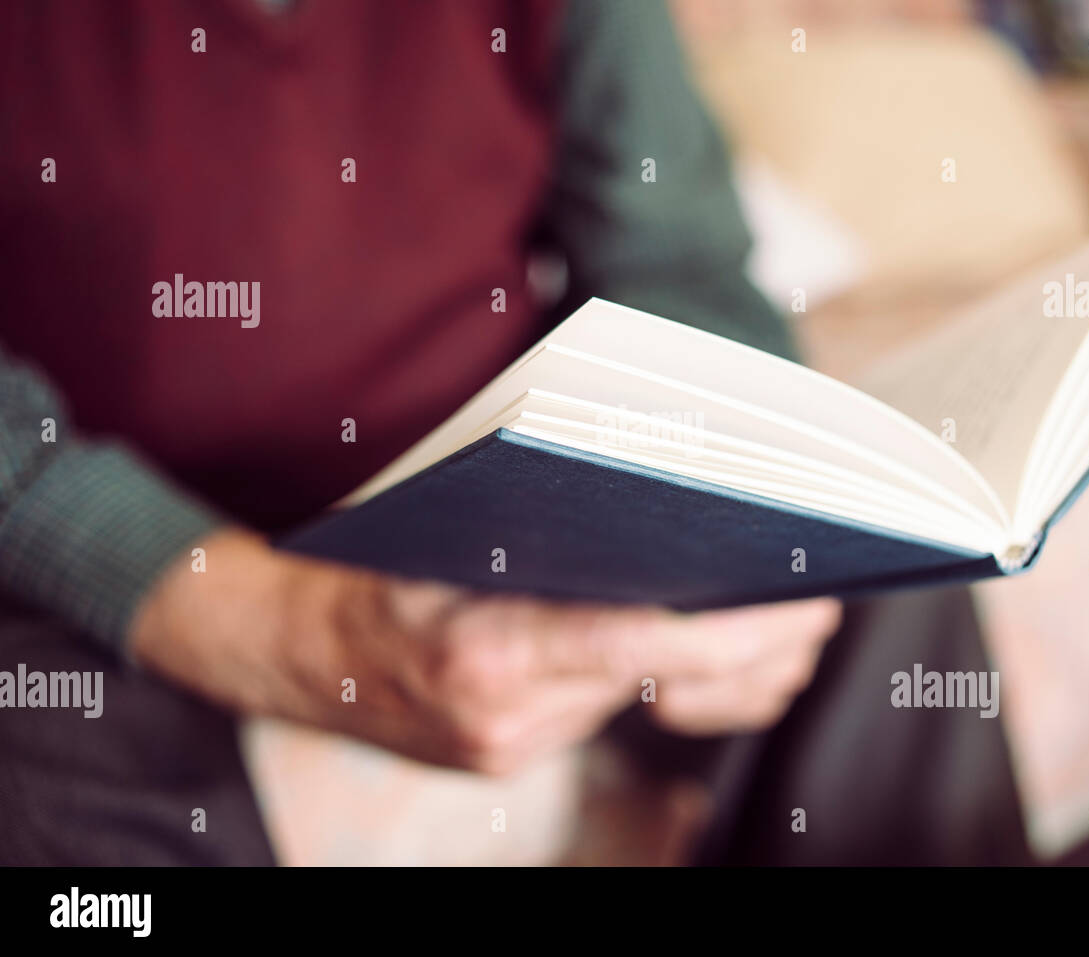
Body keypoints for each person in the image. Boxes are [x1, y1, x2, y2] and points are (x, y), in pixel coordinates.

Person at [0, 0, 1025, 864]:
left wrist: (730, 499)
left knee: (878, 572)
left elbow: (680, 270)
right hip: (86, 501)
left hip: (476, 478)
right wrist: (287, 628)